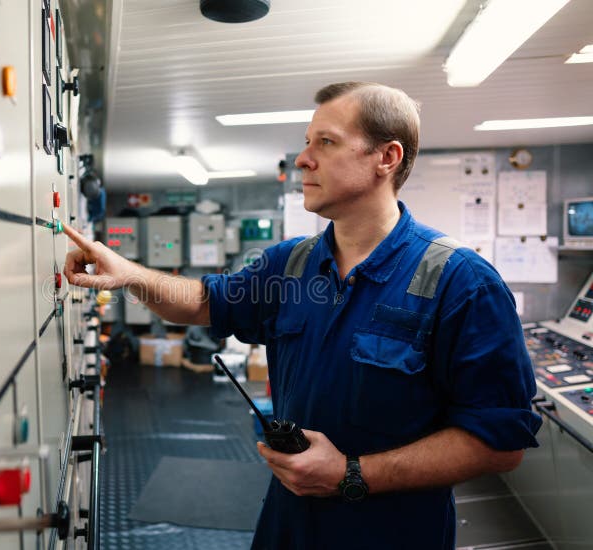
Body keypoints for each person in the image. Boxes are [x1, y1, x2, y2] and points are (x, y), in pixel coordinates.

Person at [62, 82, 542, 549]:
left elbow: (498, 442)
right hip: (288, 524)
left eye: (326, 142)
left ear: (386, 158)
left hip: (391, 533)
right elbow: (205, 302)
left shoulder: (463, 283)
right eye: (307, 142)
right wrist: (128, 274)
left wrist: (351, 475)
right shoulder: (291, 263)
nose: (302, 158)